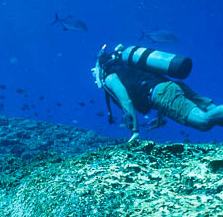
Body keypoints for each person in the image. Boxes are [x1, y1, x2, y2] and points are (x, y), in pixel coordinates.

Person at [93, 44, 223, 143]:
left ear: (99, 67)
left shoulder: (110, 77)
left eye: (94, 72)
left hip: (163, 93)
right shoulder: (127, 65)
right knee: (214, 112)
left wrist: (135, 132)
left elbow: (127, 101)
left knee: (203, 121)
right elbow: (150, 82)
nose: (94, 76)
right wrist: (161, 114)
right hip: (173, 86)